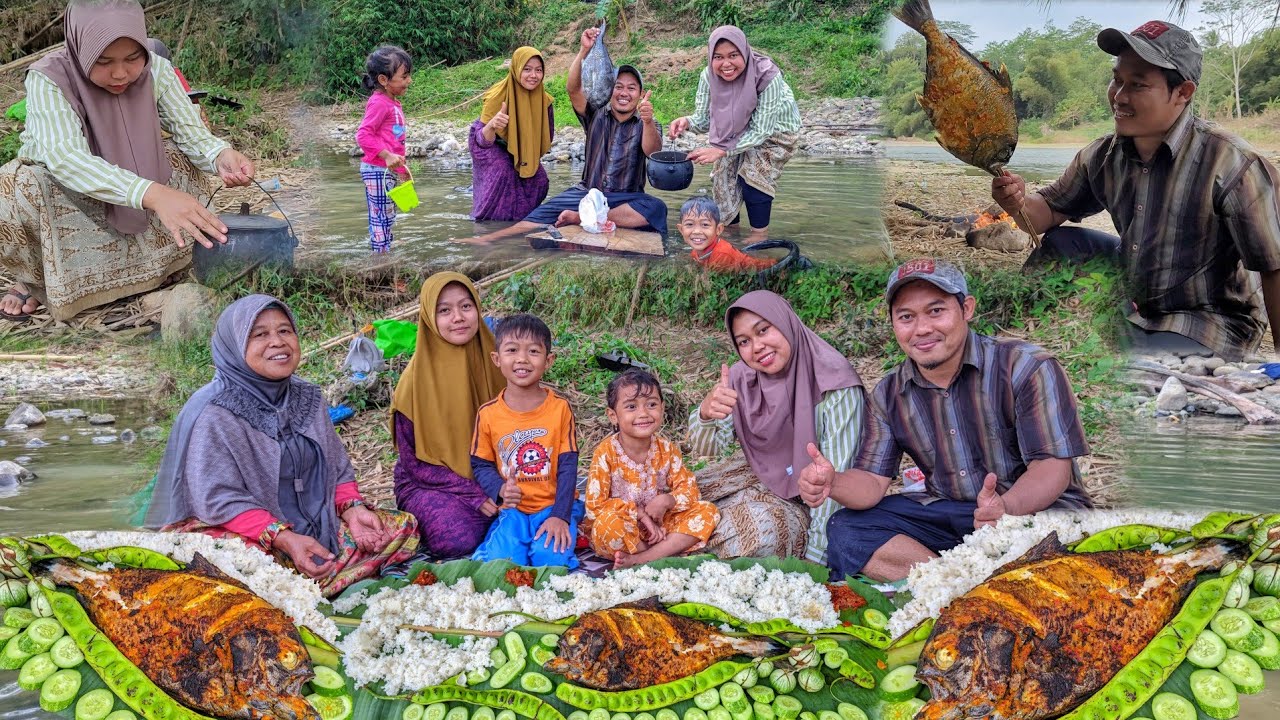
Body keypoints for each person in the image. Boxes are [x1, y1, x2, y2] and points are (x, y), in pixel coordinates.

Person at [991, 21, 1280, 362]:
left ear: (1182, 93)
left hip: (1210, 320)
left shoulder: (1232, 163)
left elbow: (1274, 266)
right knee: (1064, 243)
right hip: (1139, 295)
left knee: (1119, 363)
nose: (1119, 96)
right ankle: (1008, 331)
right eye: (1117, 80)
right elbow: (1043, 217)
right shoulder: (1103, 155)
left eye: (1138, 85)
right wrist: (1017, 201)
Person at [805, 260, 1094, 583]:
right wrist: (834, 483)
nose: (922, 329)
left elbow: (1052, 467)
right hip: (955, 515)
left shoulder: (1025, 367)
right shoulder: (890, 393)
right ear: (893, 324)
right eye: (906, 317)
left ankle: (966, 583)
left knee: (1067, 547)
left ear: (966, 308)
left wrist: (1005, 508)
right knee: (848, 528)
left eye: (936, 311)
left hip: (1035, 513)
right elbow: (872, 482)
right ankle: (958, 587)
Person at [145, 295, 419, 597]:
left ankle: (310, 585)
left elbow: (337, 469)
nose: (277, 342)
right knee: (235, 564)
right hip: (240, 530)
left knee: (398, 528)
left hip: (312, 524)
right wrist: (284, 538)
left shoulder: (307, 397)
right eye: (260, 334)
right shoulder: (213, 413)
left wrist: (353, 510)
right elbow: (218, 500)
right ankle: (305, 586)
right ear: (234, 347)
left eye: (285, 331)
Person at [0, 0, 255, 322]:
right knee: (15, 184)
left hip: (139, 179)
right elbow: (66, 158)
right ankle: (36, 283)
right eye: (103, 61)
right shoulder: (49, 78)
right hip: (72, 189)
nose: (120, 73)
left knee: (180, 158)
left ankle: (160, 267)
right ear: (79, 49)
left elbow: (191, 133)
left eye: (133, 58)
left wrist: (220, 155)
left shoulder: (156, 69)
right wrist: (154, 194)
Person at [688, 290, 864, 562]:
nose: (756, 347)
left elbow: (834, 484)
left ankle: (685, 544)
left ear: (785, 322)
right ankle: (682, 538)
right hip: (759, 476)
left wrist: (816, 557)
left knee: (762, 537)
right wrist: (706, 413)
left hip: (810, 502)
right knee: (676, 498)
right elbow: (711, 449)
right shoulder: (741, 379)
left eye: (763, 330)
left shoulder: (834, 383)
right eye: (744, 341)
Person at [463, 26, 666, 242]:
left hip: (627, 197)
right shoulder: (596, 113)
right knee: (543, 213)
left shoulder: (649, 123)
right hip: (587, 192)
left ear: (641, 94)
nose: (624, 93)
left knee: (655, 207)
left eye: (631, 88)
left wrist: (647, 121)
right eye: (618, 86)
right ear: (609, 89)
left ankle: (580, 218)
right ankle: (488, 238)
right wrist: (583, 52)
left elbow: (653, 151)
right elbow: (573, 90)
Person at [390, 272, 508, 557]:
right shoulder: (413, 384)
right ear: (430, 318)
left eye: (466, 306)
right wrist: (475, 495)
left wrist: (500, 486)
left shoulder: (499, 362)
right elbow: (414, 464)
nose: (458, 317)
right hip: (433, 483)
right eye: (445, 310)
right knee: (456, 538)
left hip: (495, 476)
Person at [470, 314, 585, 568]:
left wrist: (560, 516)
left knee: (551, 561)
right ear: (497, 359)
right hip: (514, 511)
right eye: (512, 350)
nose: (522, 359)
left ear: (548, 360)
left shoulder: (560, 409)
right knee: (503, 564)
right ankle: (496, 543)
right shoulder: (488, 414)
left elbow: (568, 466)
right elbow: (480, 464)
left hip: (552, 506)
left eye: (533, 351)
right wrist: (500, 490)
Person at [668, 26, 801, 243]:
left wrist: (721, 150)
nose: (726, 64)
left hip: (776, 133)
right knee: (723, 180)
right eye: (718, 57)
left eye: (733, 55)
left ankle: (759, 237)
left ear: (745, 53)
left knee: (753, 176)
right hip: (732, 133)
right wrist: (687, 122)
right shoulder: (708, 76)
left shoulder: (768, 76)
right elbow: (703, 120)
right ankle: (731, 234)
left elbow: (760, 131)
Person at [587, 369, 719, 568]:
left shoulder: (667, 449)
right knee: (608, 524)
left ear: (662, 408)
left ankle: (641, 560)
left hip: (659, 529)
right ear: (613, 415)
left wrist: (668, 500)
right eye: (631, 407)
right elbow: (594, 506)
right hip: (624, 531)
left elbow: (690, 490)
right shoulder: (605, 453)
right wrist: (639, 513)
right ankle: (655, 555)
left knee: (707, 511)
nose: (643, 413)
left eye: (651, 404)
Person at [469, 47, 554, 221]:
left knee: (539, 180)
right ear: (516, 69)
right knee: (504, 172)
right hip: (490, 144)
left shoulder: (545, 101)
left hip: (521, 147)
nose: (534, 75)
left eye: (539, 70)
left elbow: (545, 137)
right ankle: (488, 223)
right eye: (527, 69)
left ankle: (522, 222)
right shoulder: (497, 96)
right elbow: (481, 140)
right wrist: (493, 125)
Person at [355, 45, 413, 254]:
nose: (409, 81)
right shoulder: (379, 103)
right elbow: (363, 135)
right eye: (404, 76)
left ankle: (384, 254)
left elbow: (393, 141)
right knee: (380, 217)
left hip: (387, 171)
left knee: (388, 215)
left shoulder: (392, 103)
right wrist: (387, 156)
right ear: (383, 80)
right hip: (376, 170)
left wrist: (402, 170)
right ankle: (381, 261)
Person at [679, 196, 775, 273]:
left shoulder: (721, 255)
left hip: (767, 268)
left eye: (705, 224)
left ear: (719, 229)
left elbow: (719, 283)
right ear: (681, 229)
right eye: (689, 224)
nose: (696, 231)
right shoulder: (696, 251)